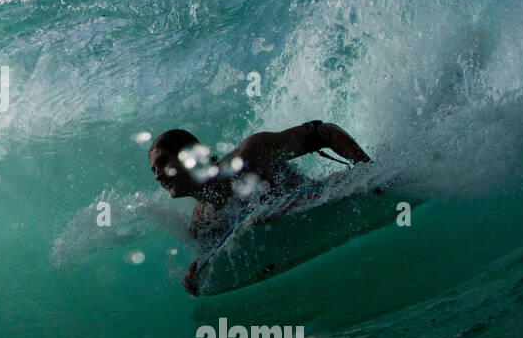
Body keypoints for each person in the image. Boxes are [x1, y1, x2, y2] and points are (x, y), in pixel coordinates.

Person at [148, 122, 371, 293]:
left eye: (163, 163)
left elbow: (321, 131)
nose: (158, 175)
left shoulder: (249, 155)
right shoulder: (201, 223)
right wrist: (197, 272)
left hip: (329, 195)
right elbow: (219, 254)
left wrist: (367, 170)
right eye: (153, 170)